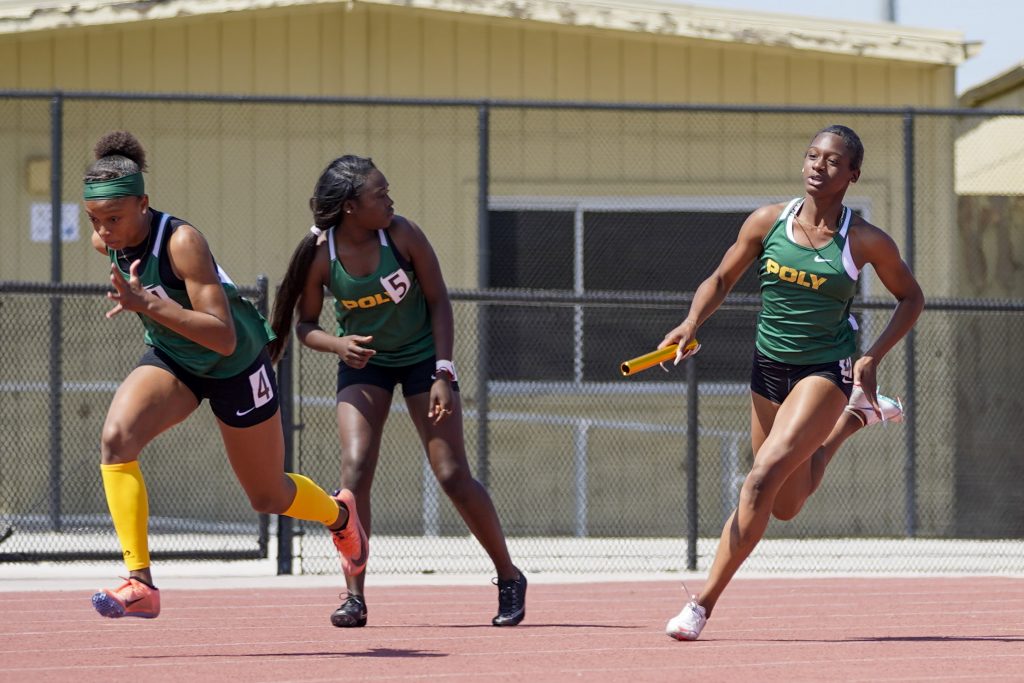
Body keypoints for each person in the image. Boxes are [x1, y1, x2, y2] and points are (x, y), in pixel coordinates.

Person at [83, 131, 368, 619]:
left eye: (114, 218)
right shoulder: (106, 241)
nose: (104, 231)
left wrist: (147, 304)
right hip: (176, 360)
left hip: (236, 365)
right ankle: (140, 582)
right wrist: (147, 306)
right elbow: (140, 281)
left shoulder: (182, 242)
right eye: (94, 219)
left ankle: (340, 515)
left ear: (144, 204)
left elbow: (223, 336)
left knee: (268, 494)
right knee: (116, 439)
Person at [659, 125, 924, 641]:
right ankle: (855, 419)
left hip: (823, 372)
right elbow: (721, 279)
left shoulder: (864, 239)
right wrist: (691, 322)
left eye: (832, 160)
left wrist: (872, 356)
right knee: (783, 504)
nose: (818, 166)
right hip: (768, 368)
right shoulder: (768, 221)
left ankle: (700, 605)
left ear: (853, 175)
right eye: (812, 155)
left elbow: (911, 298)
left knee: (759, 479)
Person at [269, 155, 527, 628]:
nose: (390, 201)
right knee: (354, 472)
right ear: (350, 207)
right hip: (365, 367)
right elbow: (305, 325)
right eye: (380, 194)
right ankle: (354, 596)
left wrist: (443, 372)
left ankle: (509, 576)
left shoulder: (402, 234)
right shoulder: (322, 254)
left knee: (452, 474)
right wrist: (338, 345)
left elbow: (439, 301)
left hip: (424, 361)